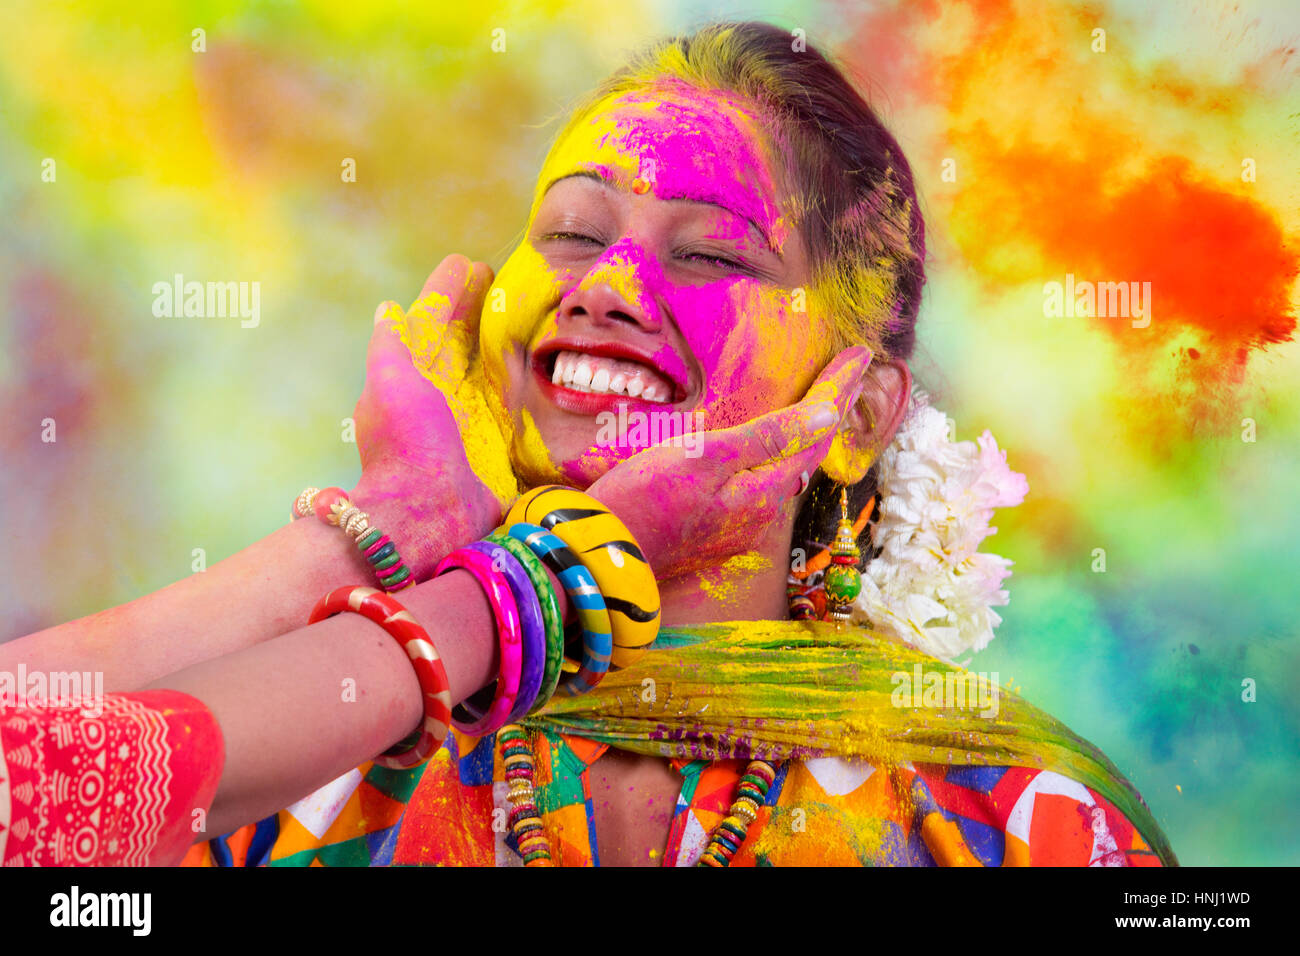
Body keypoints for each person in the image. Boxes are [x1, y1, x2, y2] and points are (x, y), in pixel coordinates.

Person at [0, 21, 1174, 867]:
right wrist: (397, 533)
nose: (606, 286)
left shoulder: (1012, 822)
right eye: (570, 231)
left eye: (711, 253)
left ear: (859, 412)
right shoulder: (300, 772)